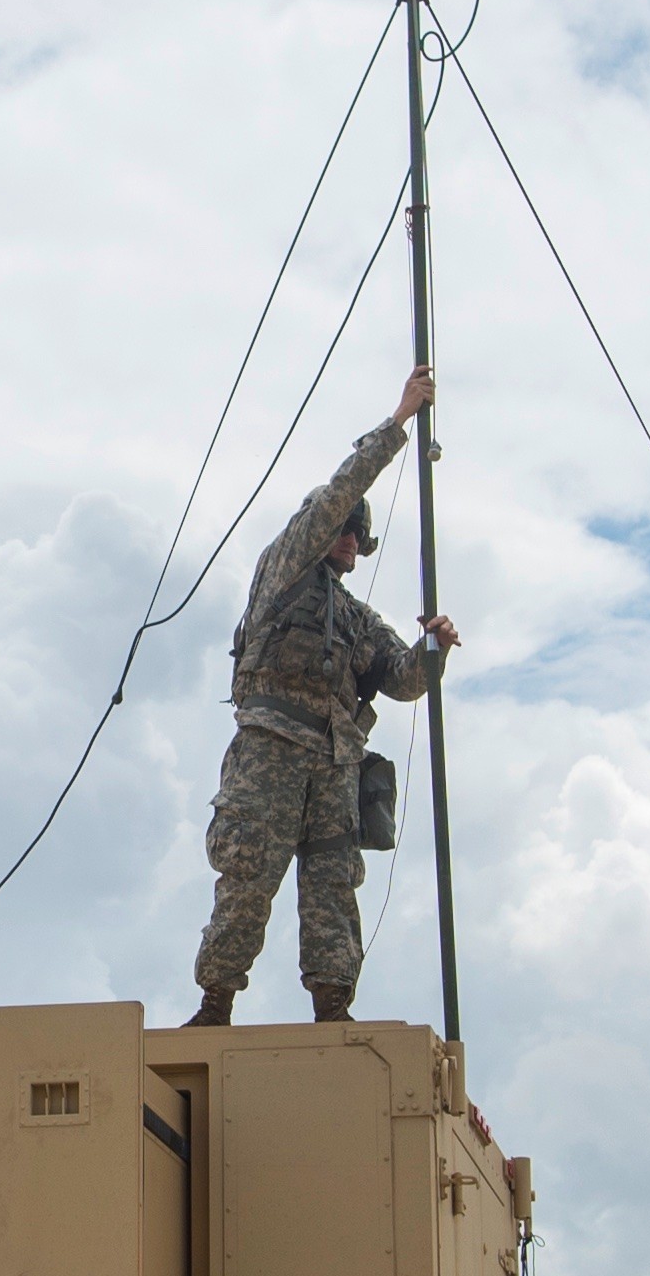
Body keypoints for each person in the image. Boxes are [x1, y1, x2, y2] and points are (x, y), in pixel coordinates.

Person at [185, 367, 463, 1026]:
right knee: (248, 876)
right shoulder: (284, 572)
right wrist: (398, 422)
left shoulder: (360, 619)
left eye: (357, 535)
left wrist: (433, 649)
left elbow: (402, 680)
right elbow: (337, 494)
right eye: (343, 529)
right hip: (271, 752)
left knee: (333, 887)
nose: (349, 541)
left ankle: (333, 1006)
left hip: (335, 765)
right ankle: (216, 1002)